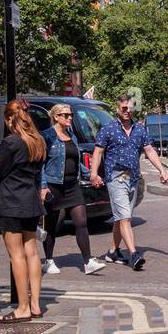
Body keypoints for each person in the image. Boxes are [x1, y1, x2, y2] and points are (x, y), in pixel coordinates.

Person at [90, 93, 168, 270]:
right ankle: (134, 254)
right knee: (125, 217)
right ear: (117, 109)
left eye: (130, 108)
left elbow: (149, 150)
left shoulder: (140, 129)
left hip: (133, 178)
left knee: (121, 218)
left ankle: (112, 251)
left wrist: (162, 170)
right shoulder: (108, 129)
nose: (127, 111)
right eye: (124, 108)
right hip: (116, 178)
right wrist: (94, 173)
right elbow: (98, 152)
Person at [0, 99, 47, 323]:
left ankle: (22, 307)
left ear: (9, 118)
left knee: (16, 256)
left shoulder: (11, 142)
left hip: (10, 202)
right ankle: (35, 304)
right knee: (32, 252)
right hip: (30, 202)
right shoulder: (38, 141)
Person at [40, 104, 106, 277]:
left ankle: (88, 261)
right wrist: (43, 186)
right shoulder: (47, 137)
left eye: (70, 115)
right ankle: (48, 260)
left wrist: (91, 175)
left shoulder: (72, 136)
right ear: (56, 117)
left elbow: (76, 162)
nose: (70, 118)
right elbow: (40, 165)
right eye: (66, 115)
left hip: (72, 186)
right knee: (52, 225)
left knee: (81, 222)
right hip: (54, 186)